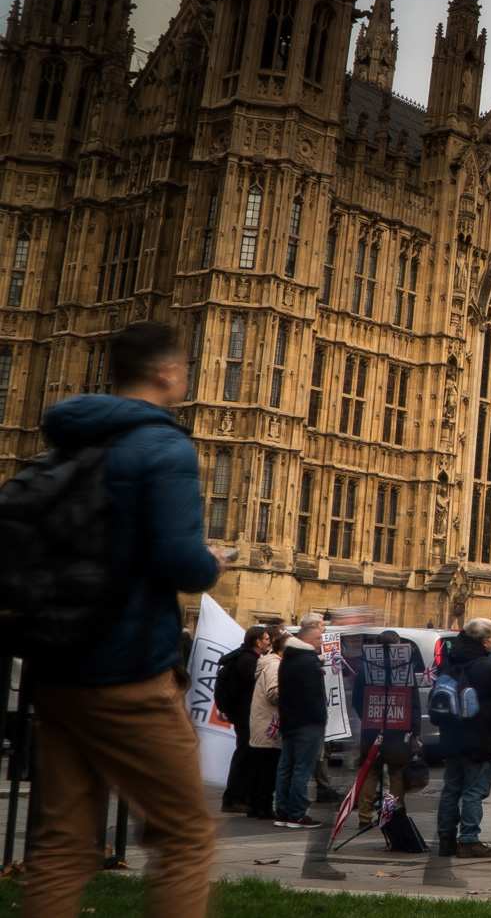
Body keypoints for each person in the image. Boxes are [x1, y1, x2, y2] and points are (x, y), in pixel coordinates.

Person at [22, 322, 223, 916]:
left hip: (56, 669)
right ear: (165, 372)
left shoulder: (68, 441)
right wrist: (210, 562)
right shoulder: (162, 447)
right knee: (185, 834)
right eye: (184, 368)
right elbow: (181, 562)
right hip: (128, 672)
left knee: (61, 844)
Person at [435, 619, 491, 858]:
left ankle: (446, 839)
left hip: (451, 736)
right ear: (486, 641)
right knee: (473, 790)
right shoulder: (487, 666)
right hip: (479, 737)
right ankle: (469, 840)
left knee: (451, 788)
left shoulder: (449, 660)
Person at [353, 631, 423, 830]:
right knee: (396, 773)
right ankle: (392, 815)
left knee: (370, 771)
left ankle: (364, 817)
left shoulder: (366, 667)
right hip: (398, 729)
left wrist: (367, 717)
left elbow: (357, 699)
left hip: (371, 728)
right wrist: (415, 730)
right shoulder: (404, 668)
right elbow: (414, 703)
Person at [272, 614, 330, 828]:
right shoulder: (308, 661)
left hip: (289, 720)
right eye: (318, 639)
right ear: (308, 640)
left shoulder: (289, 658)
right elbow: (313, 695)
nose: (321, 642)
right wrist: (320, 718)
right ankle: (296, 813)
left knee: (286, 767)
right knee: (302, 768)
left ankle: (282, 811)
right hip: (308, 722)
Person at [216, 624, 273, 812]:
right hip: (245, 714)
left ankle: (239, 797)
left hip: (243, 713)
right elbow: (251, 688)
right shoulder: (248, 661)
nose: (269, 642)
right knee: (245, 755)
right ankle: (234, 798)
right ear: (257, 641)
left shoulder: (245, 657)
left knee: (245, 754)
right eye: (266, 639)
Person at [244, 623, 287, 820]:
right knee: (266, 769)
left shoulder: (269, 663)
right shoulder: (275, 665)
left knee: (260, 768)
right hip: (268, 725)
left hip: (263, 723)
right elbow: (273, 693)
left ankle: (256, 806)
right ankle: (262, 807)